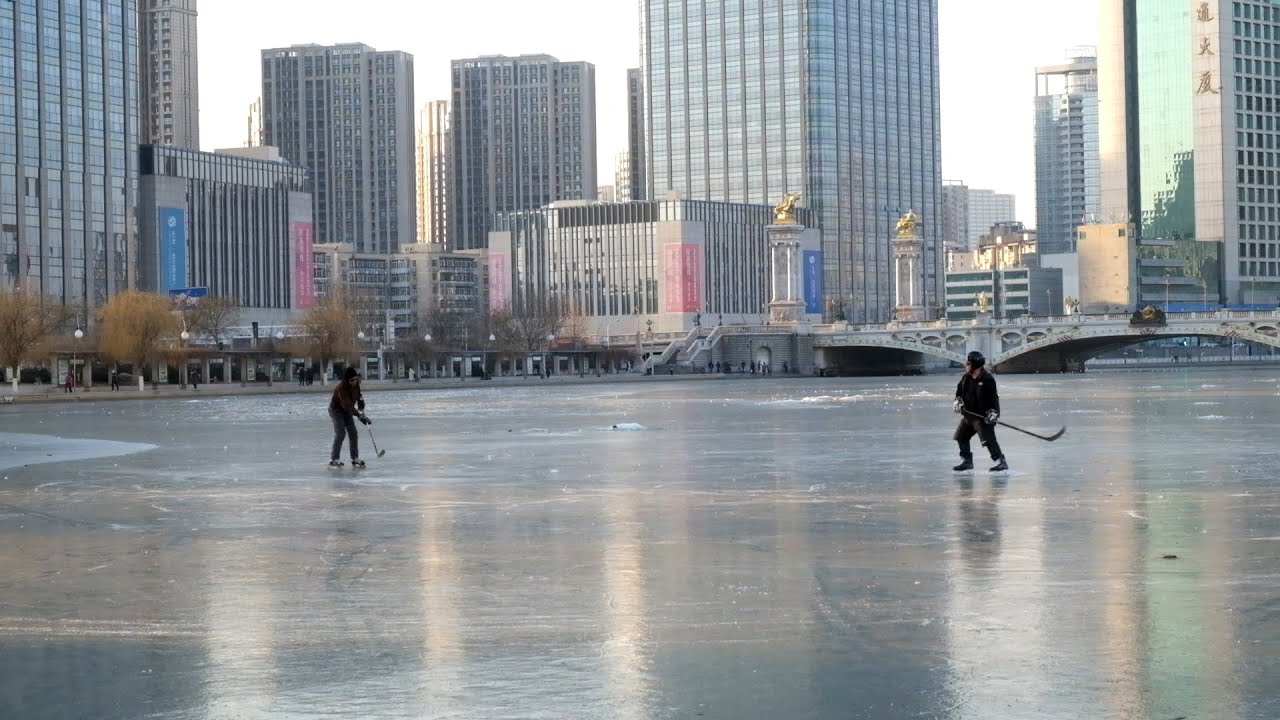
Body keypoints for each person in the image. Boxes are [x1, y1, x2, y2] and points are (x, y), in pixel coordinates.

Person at [952, 350, 1008, 472]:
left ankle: (1000, 461)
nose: (966, 366)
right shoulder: (966, 378)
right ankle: (967, 461)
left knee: (988, 440)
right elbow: (959, 392)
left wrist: (993, 413)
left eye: (968, 364)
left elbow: (993, 399)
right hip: (969, 415)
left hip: (983, 418)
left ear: (975, 365)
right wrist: (957, 402)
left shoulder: (987, 379)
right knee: (961, 436)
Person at [328, 367, 371, 468]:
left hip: (347, 411)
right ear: (347, 380)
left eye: (355, 379)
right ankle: (334, 459)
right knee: (341, 433)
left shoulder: (356, 385)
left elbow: (358, 395)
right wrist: (359, 416)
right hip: (336, 411)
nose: (354, 382)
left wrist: (361, 402)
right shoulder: (341, 389)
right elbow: (347, 406)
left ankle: (355, 458)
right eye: (352, 380)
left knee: (353, 433)